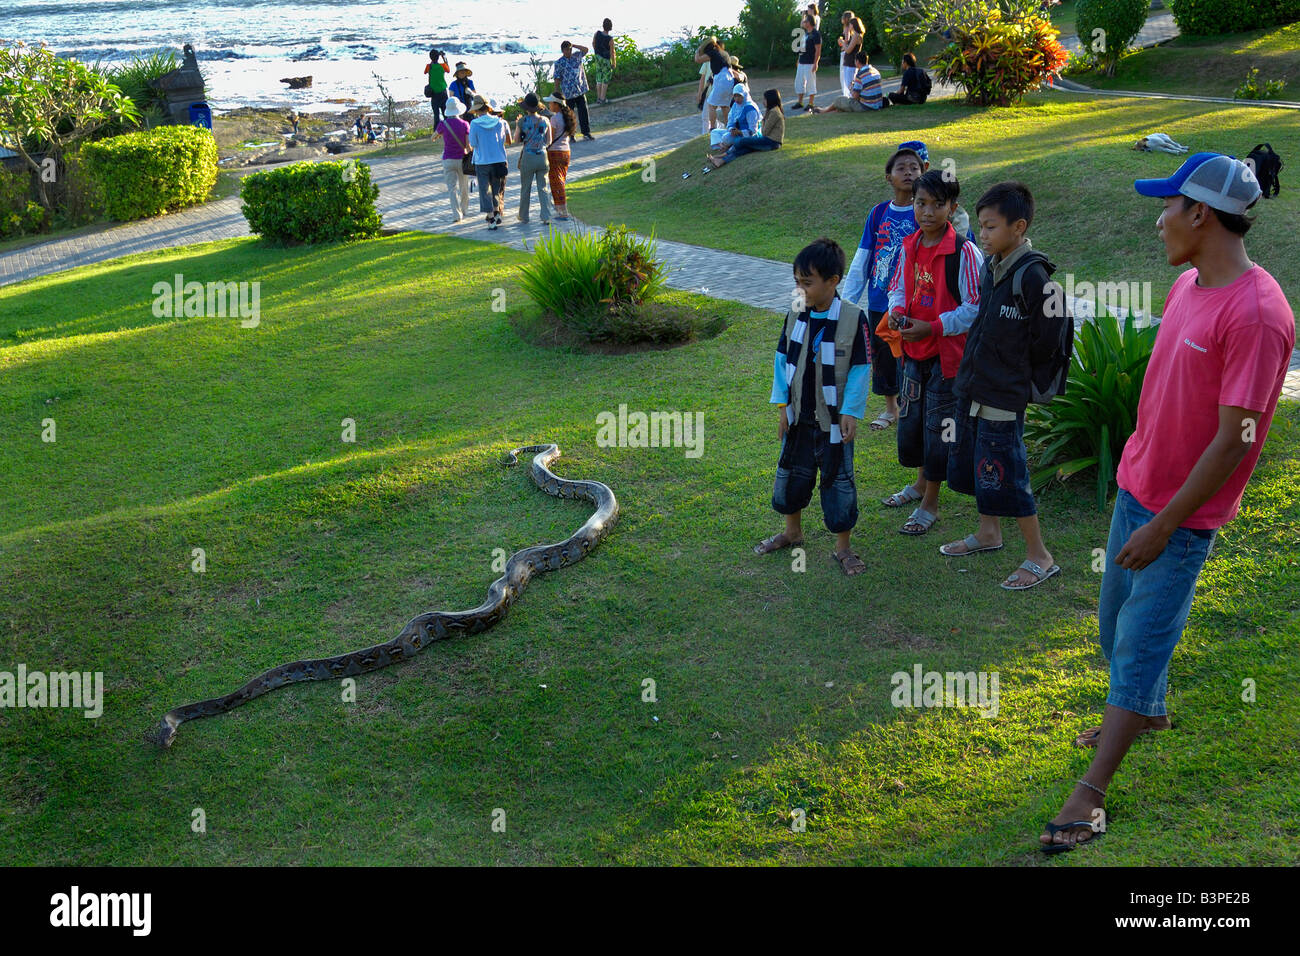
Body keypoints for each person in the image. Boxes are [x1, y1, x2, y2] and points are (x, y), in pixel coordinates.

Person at [1040, 153, 1294, 853]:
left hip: (1178, 519)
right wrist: (1133, 480)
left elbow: (1236, 439)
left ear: (1200, 215)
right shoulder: (1188, 284)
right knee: (1115, 629)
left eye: (1167, 209)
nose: (1159, 224)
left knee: (1142, 645)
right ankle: (1143, 714)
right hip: (1137, 489)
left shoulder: (1259, 315)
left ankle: (1090, 794)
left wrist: (1166, 524)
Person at [943, 182, 1065, 589]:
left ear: (1019, 227)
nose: (982, 235)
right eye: (980, 226)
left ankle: (1039, 556)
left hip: (1004, 394)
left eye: (991, 227)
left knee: (1009, 472)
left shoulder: (1035, 277)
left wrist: (1017, 378)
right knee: (983, 465)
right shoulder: (992, 266)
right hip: (977, 386)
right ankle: (988, 532)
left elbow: (1048, 341)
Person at [754, 238, 871, 577]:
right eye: (797, 281)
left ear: (833, 281)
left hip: (834, 421)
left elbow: (861, 369)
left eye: (807, 282)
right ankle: (792, 532)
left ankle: (843, 547)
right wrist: (781, 407)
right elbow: (781, 361)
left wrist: (850, 411)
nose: (800, 289)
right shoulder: (795, 314)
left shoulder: (853, 317)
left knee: (838, 480)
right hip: (799, 418)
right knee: (792, 474)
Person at [882, 168, 984, 535]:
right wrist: (896, 311)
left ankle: (931, 503)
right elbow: (897, 287)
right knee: (913, 422)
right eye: (920, 203)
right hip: (914, 350)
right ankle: (920, 483)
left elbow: (974, 307)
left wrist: (935, 327)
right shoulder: (909, 246)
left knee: (940, 427)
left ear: (952, 207)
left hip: (947, 357)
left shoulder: (965, 252)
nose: (927, 212)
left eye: (937, 205)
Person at [844, 142, 928, 434]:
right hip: (880, 300)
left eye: (914, 168)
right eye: (900, 168)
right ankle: (892, 407)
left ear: (924, 172)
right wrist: (847, 302)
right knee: (883, 356)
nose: (908, 173)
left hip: (915, 301)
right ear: (888, 177)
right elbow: (863, 258)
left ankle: (913, 406)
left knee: (912, 354)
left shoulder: (925, 213)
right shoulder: (878, 213)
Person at [707, 88, 784, 169]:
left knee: (742, 141)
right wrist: (732, 128)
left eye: (765, 99)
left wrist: (762, 120)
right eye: (735, 96)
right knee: (744, 149)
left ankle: (723, 155)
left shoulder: (774, 113)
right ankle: (721, 161)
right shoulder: (770, 111)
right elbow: (730, 120)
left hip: (772, 142)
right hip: (768, 141)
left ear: (770, 99)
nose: (763, 101)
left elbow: (764, 132)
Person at [467, 95, 512, 229]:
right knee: (496, 188)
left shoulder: (475, 124)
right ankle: (497, 211)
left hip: (482, 161)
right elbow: (504, 140)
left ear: (477, 110)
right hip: (499, 159)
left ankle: (491, 217)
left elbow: (473, 143)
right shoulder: (500, 122)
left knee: (484, 190)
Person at [514, 93, 553, 225]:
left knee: (526, 187)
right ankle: (546, 216)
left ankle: (524, 215)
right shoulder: (545, 120)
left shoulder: (522, 121)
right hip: (542, 156)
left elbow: (516, 139)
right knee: (543, 187)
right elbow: (549, 141)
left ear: (526, 107)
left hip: (528, 157)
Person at [433, 96, 472, 222]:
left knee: (452, 188)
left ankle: (456, 214)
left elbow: (433, 137)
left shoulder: (443, 124)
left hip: (448, 159)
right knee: (464, 186)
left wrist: (438, 136)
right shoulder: (465, 124)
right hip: (461, 158)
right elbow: (467, 146)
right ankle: (464, 209)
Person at [811, 49, 887, 112]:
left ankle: (823, 111)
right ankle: (829, 110)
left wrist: (851, 88)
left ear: (857, 61)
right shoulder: (875, 71)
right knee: (843, 105)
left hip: (866, 107)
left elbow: (855, 97)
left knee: (839, 100)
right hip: (878, 104)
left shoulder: (860, 75)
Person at [553, 41, 594, 140]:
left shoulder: (576, 56)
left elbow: (586, 49)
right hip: (568, 92)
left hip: (580, 89)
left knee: (583, 112)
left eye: (570, 49)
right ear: (563, 51)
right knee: (569, 115)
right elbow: (557, 78)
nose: (569, 51)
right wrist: (557, 91)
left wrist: (575, 45)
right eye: (567, 49)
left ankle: (586, 132)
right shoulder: (559, 63)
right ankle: (571, 134)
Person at [545, 92, 576, 220]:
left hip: (554, 152)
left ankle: (562, 210)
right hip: (566, 152)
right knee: (561, 179)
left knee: (556, 182)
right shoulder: (568, 117)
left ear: (556, 104)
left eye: (551, 102)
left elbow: (550, 138)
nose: (549, 105)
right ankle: (560, 208)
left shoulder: (554, 119)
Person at [696, 36, 734, 131]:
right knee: (724, 106)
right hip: (730, 79)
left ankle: (712, 128)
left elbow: (698, 60)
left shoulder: (713, 53)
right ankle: (728, 127)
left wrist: (698, 50)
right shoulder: (724, 53)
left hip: (721, 79)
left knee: (711, 104)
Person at [792, 14, 821, 112]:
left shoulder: (816, 34)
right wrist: (798, 59)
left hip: (810, 62)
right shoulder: (805, 34)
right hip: (802, 61)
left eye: (805, 21)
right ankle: (800, 102)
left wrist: (816, 63)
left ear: (809, 22)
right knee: (799, 81)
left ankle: (811, 103)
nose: (803, 23)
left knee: (810, 82)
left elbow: (818, 50)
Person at [838, 11, 865, 99]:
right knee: (848, 83)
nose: (849, 26)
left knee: (850, 83)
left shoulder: (856, 36)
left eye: (850, 24)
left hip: (851, 63)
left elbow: (848, 50)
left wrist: (842, 42)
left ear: (853, 25)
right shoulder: (856, 35)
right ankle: (852, 99)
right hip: (849, 62)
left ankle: (854, 99)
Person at [592, 18, 617, 105]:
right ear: (610, 27)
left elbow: (593, 43)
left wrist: (596, 51)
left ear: (603, 25)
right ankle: (603, 99)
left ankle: (598, 98)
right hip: (606, 59)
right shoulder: (610, 39)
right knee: (605, 79)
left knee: (599, 78)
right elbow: (612, 52)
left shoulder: (597, 33)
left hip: (598, 57)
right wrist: (614, 63)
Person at [425, 49, 451, 126]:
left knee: (436, 115)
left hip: (434, 93)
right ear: (438, 57)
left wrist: (431, 62)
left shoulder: (429, 67)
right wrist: (444, 58)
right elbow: (448, 70)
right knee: (445, 113)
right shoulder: (442, 66)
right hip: (443, 92)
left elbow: (425, 72)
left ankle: (436, 132)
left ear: (430, 57)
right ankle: (449, 129)